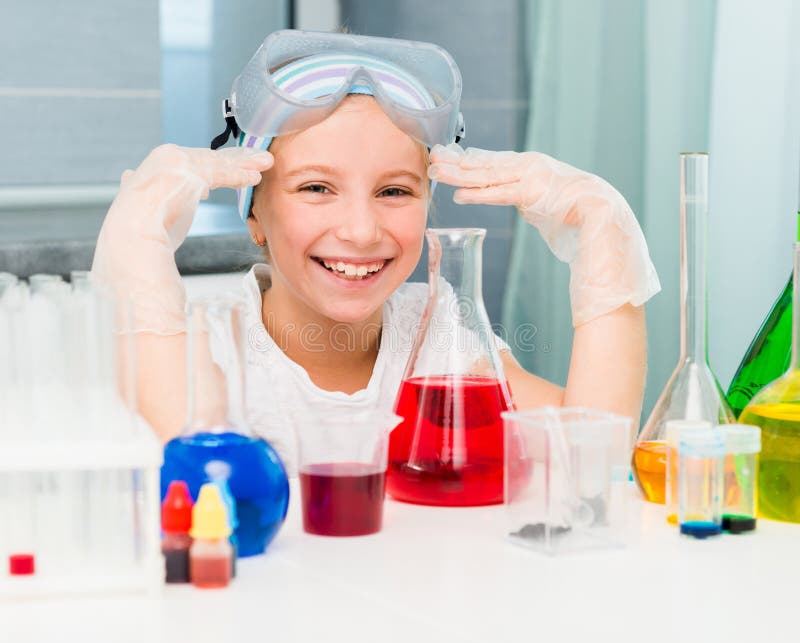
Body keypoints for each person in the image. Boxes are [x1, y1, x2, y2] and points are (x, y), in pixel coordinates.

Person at [92, 30, 660, 472]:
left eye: (394, 191)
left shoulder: (443, 346)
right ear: (255, 216)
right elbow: (186, 471)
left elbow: (593, 459)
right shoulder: (207, 346)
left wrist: (600, 232)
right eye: (316, 188)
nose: (361, 231)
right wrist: (136, 244)